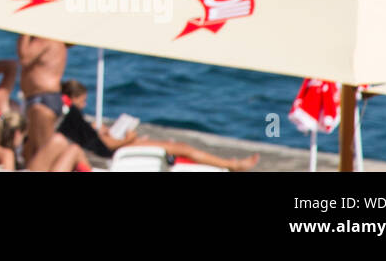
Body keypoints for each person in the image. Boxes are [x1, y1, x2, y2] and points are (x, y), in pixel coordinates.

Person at [58, 79, 259, 171]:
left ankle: (231, 165)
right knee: (180, 148)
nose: (85, 104)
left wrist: (97, 130)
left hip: (104, 147)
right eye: (82, 101)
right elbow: (105, 147)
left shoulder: (68, 116)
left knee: (173, 146)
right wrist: (128, 139)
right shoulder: (73, 116)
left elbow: (90, 140)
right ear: (73, 98)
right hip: (110, 152)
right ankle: (232, 165)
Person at [18, 34, 68, 170]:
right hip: (39, 99)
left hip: (43, 100)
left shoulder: (46, 38)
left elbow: (25, 58)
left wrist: (24, 32)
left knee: (43, 153)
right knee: (33, 151)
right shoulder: (53, 40)